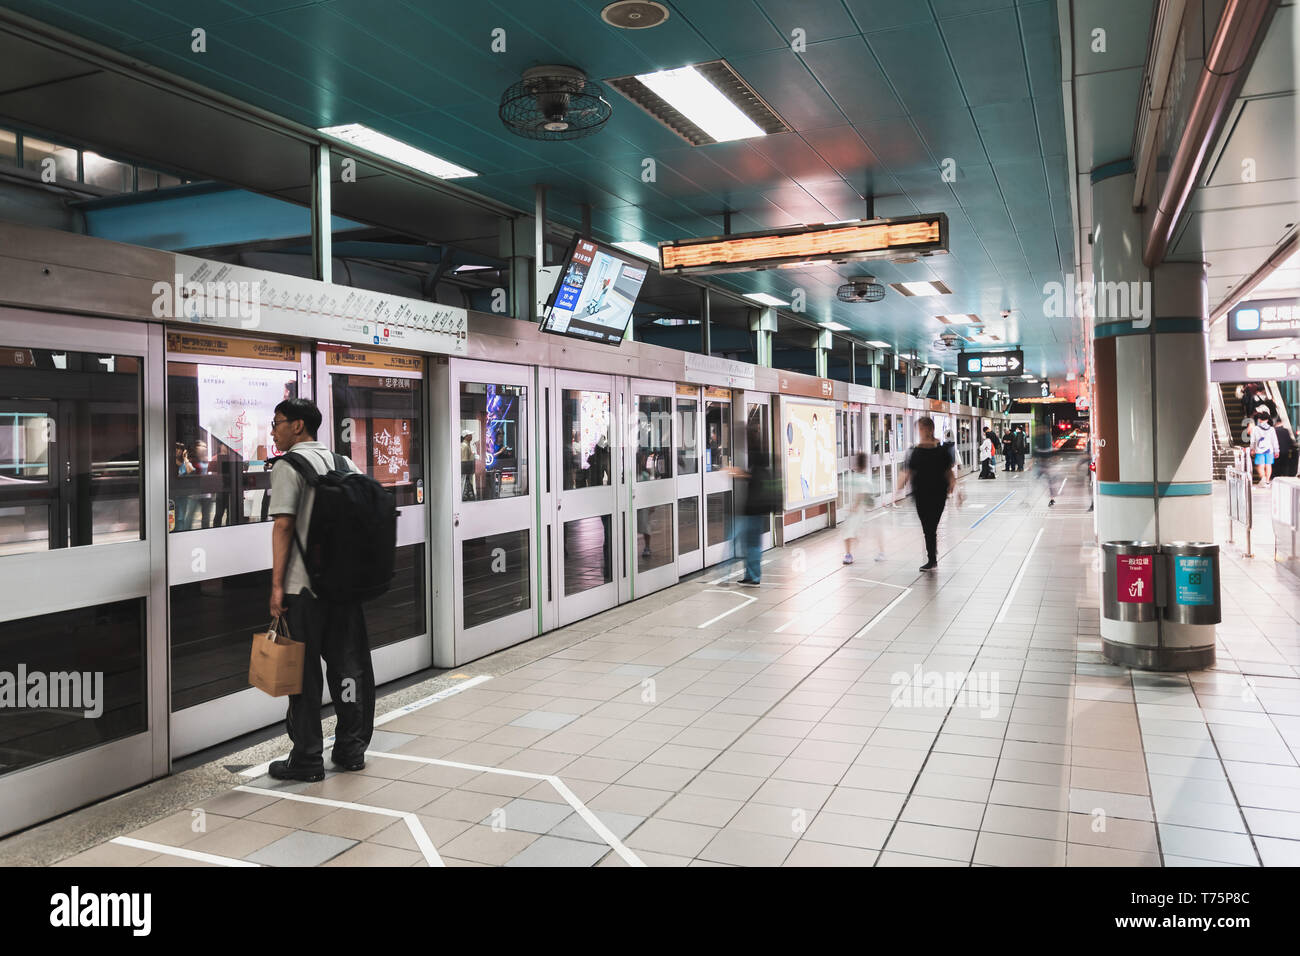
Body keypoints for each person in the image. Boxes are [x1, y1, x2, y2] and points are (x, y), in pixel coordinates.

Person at [266, 398, 374, 782]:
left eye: (277, 422)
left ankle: (308, 758)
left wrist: (277, 588)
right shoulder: (345, 463)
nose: (273, 429)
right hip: (344, 588)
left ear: (298, 426)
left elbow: (282, 527)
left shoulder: (288, 465)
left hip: (304, 590)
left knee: (303, 674)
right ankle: (351, 749)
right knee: (349, 669)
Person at [900, 416, 955, 572]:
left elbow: (949, 472)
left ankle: (932, 558)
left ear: (930, 429)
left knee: (931, 526)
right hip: (920, 495)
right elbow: (908, 471)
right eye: (919, 429)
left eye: (923, 429)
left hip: (938, 494)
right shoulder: (915, 451)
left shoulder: (942, 451)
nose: (921, 432)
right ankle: (932, 555)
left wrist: (953, 486)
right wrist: (900, 485)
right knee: (928, 527)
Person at [729, 424, 777, 586]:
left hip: (753, 509)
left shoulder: (758, 460)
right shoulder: (761, 458)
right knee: (751, 544)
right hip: (755, 509)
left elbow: (753, 477)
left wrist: (738, 473)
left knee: (752, 544)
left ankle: (754, 576)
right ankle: (751, 575)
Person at [841, 451, 885, 565]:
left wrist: (854, 507)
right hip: (867, 509)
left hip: (860, 510)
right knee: (874, 531)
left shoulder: (858, 478)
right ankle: (881, 552)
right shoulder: (865, 478)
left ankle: (848, 554)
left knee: (848, 532)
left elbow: (861, 495)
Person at [1248, 411, 1280, 487]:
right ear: (1267, 420)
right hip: (1270, 450)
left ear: (1259, 419)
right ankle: (1267, 481)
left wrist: (1252, 449)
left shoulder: (1255, 429)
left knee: (1260, 465)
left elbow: (1253, 440)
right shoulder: (1271, 429)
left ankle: (1263, 478)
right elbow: (1274, 440)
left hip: (1259, 450)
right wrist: (1277, 450)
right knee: (1268, 465)